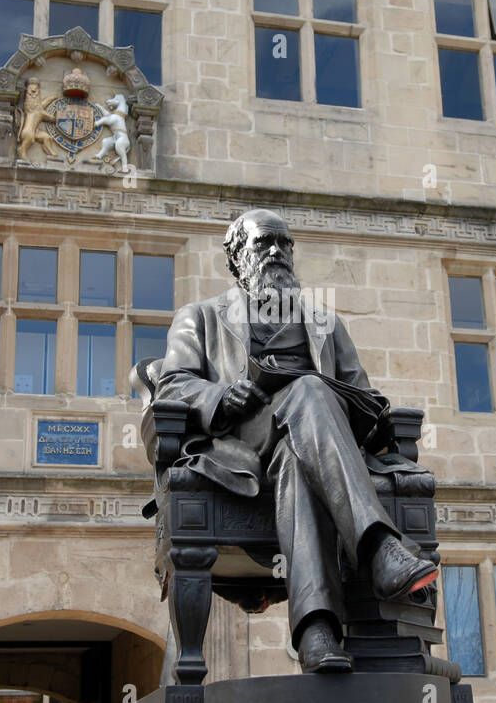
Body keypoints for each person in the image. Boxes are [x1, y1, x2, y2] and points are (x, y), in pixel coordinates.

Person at [156, 209, 438, 673]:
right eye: (264, 242)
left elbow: (364, 397)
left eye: (285, 244)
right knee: (308, 389)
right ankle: (378, 549)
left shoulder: (327, 325)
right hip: (240, 443)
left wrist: (370, 414)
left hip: (307, 445)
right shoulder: (201, 318)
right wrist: (223, 395)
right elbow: (172, 386)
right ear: (236, 257)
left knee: (299, 443)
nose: (276, 252)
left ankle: (316, 633)